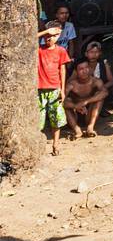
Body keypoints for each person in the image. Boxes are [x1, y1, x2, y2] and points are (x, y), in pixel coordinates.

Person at [37, 21, 67, 154]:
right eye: (48, 36)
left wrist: (63, 90)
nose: (50, 38)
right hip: (39, 90)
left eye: (54, 36)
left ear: (59, 36)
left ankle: (56, 144)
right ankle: (38, 146)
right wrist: (45, 32)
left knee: (56, 118)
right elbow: (27, 40)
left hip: (55, 89)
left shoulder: (61, 51)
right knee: (38, 120)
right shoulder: (38, 50)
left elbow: (62, 70)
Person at [63, 56, 107, 139]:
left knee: (99, 96)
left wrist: (86, 102)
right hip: (74, 116)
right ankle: (77, 130)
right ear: (76, 71)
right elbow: (60, 100)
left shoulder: (96, 81)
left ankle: (90, 127)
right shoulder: (71, 84)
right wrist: (75, 106)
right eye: (81, 69)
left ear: (90, 68)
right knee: (67, 101)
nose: (85, 71)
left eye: (86, 67)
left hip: (89, 114)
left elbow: (105, 93)